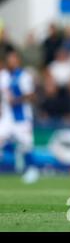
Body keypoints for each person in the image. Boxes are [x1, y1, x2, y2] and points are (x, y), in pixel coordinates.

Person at [0, 50, 39, 184]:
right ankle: (15, 151)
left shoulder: (24, 76)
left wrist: (16, 100)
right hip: (7, 116)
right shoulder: (4, 75)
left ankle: (33, 170)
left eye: (14, 59)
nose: (12, 62)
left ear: (18, 61)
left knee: (27, 144)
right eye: (9, 59)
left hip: (21, 116)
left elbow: (32, 95)